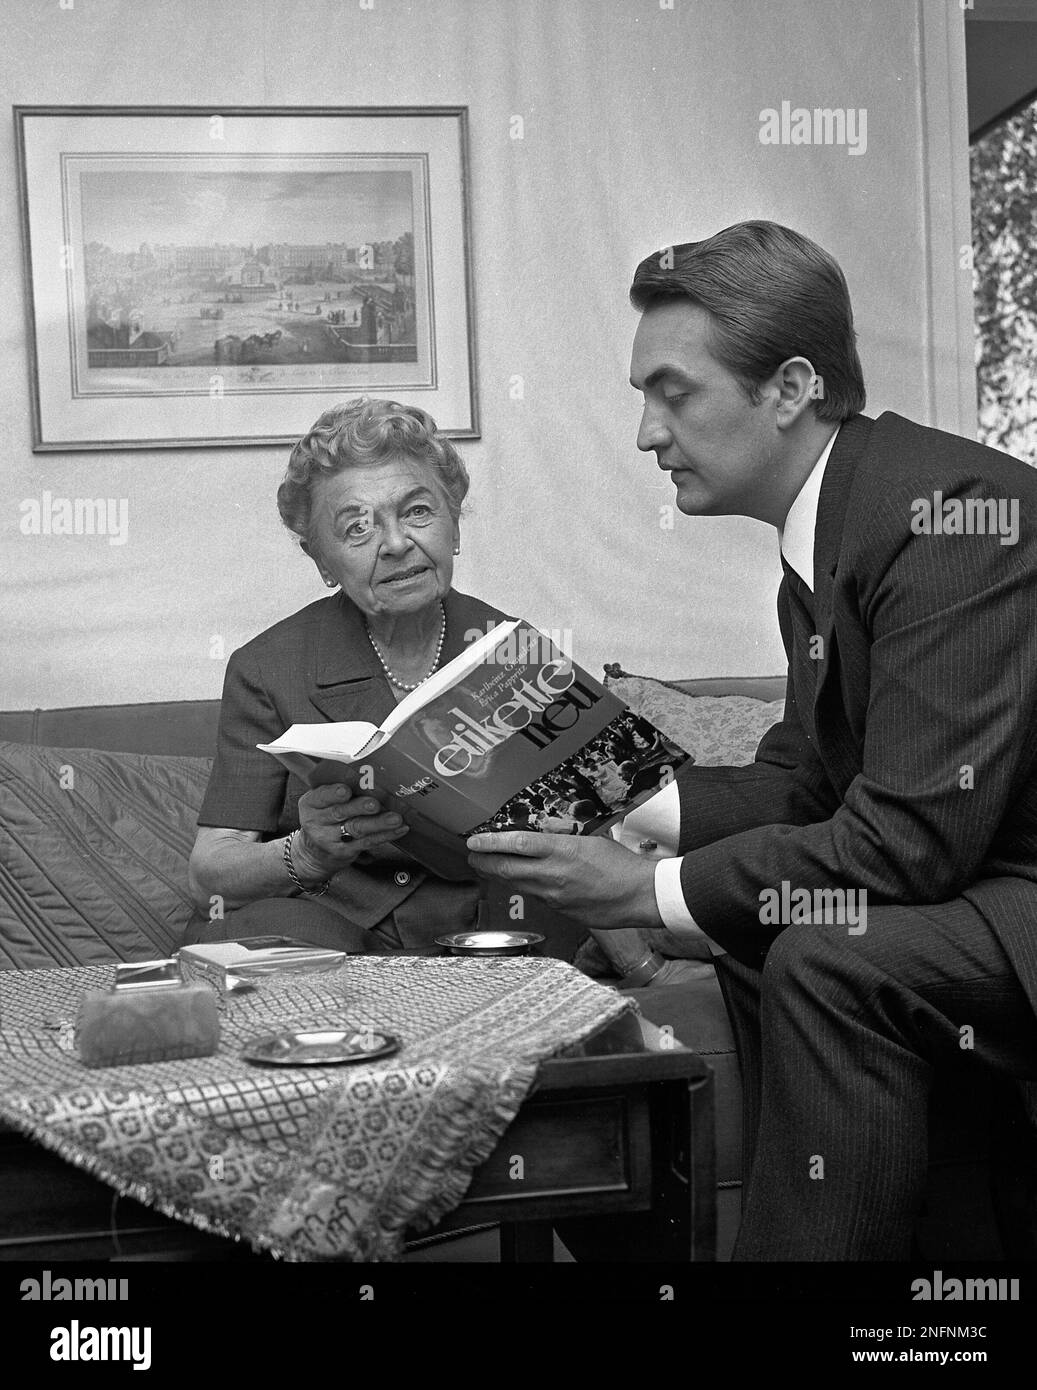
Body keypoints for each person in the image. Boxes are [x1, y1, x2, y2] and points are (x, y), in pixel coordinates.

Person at [466, 220, 1037, 1261]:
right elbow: (804, 783)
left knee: (825, 955)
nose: (646, 433)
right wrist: (602, 788)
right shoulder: (828, 537)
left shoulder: (949, 516)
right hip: (980, 887)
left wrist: (645, 894)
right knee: (756, 931)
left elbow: (909, 842)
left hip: (1015, 897)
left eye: (672, 393)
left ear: (789, 389)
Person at [187, 397, 508, 954]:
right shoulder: (267, 668)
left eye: (418, 511)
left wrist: (645, 965)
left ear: (454, 523)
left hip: (478, 923)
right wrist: (307, 853)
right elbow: (209, 875)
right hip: (322, 923)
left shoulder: (510, 648)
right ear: (321, 561)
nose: (397, 544)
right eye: (358, 527)